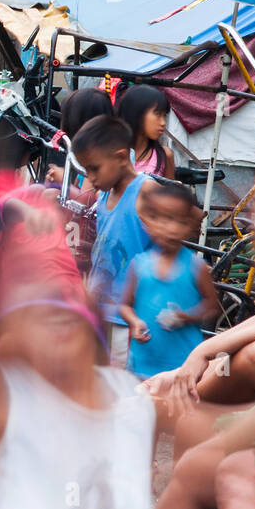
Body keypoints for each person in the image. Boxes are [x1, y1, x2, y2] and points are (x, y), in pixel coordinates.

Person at [0, 282, 158, 509]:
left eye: (71, 321)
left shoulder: (128, 399)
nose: (61, 329)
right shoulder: (6, 399)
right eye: (48, 322)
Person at [73, 114, 154, 368]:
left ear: (121, 158)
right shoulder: (104, 194)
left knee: (119, 382)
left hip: (126, 316)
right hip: (99, 310)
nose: (91, 177)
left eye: (94, 169)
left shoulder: (146, 192)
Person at [119, 182, 218, 380]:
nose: (172, 229)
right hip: (142, 364)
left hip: (183, 365)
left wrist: (187, 316)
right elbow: (125, 306)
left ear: (190, 226)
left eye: (180, 222)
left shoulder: (196, 267)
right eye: (164, 220)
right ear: (149, 223)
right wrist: (135, 322)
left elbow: (212, 306)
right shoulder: (139, 265)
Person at [45, 87, 114, 273]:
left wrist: (64, 187)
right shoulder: (85, 159)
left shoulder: (105, 158)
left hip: (98, 255)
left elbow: (95, 200)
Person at [115, 84, 176, 179]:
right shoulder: (114, 154)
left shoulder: (165, 155)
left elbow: (169, 192)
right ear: (137, 113)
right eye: (158, 114)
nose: (163, 123)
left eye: (164, 116)